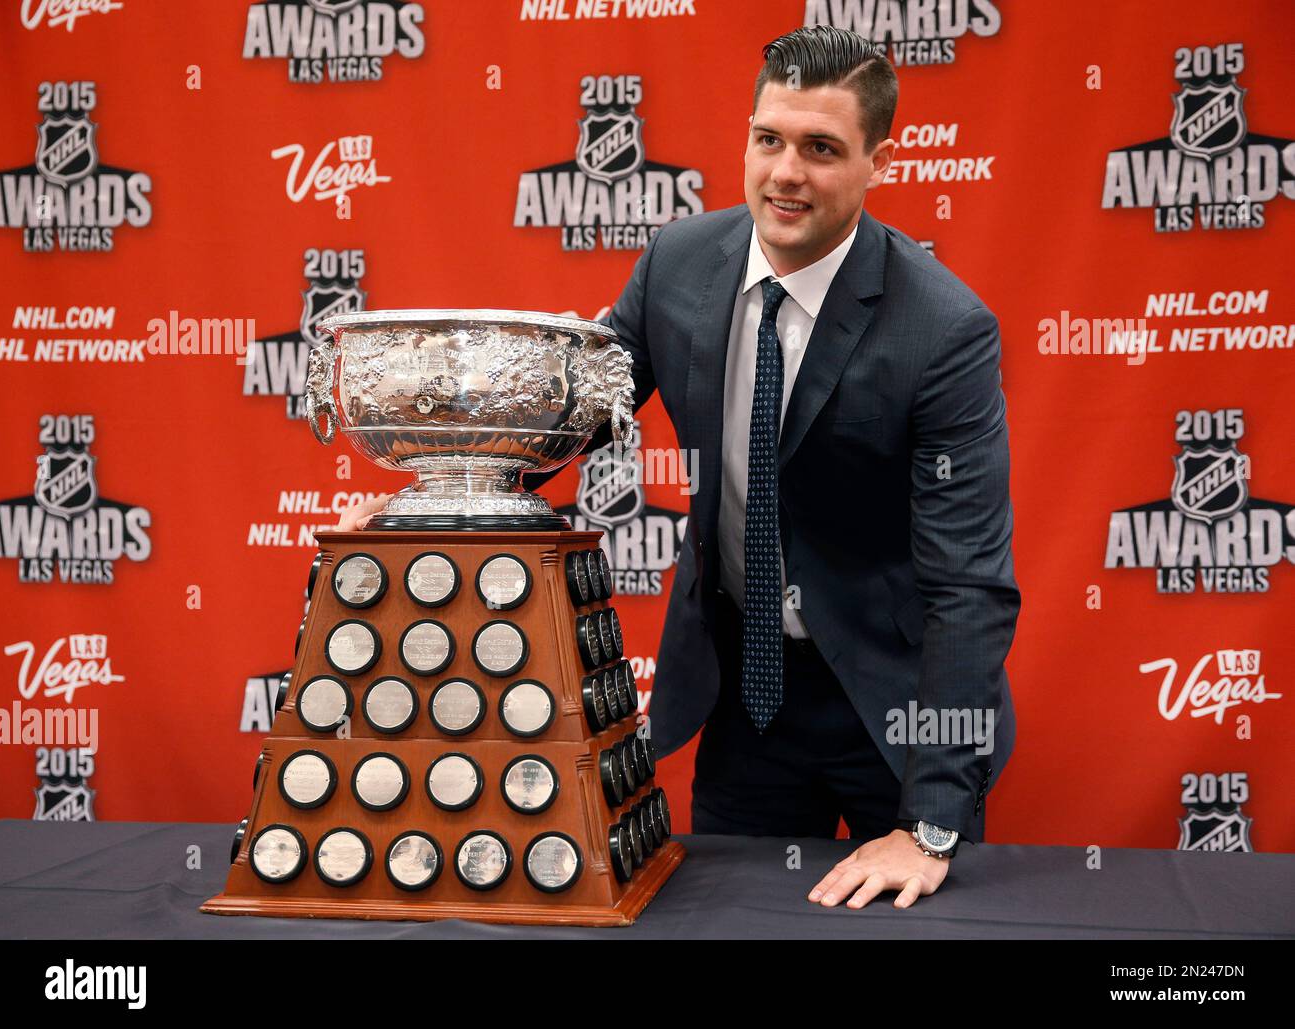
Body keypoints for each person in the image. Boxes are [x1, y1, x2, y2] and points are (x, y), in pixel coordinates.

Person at [339, 25, 1020, 911]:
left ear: (878, 162)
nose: (785, 172)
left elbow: (970, 583)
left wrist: (931, 823)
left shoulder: (944, 330)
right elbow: (572, 417)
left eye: (822, 149)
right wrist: (429, 512)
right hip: (743, 696)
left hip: (897, 707)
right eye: (768, 139)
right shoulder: (677, 263)